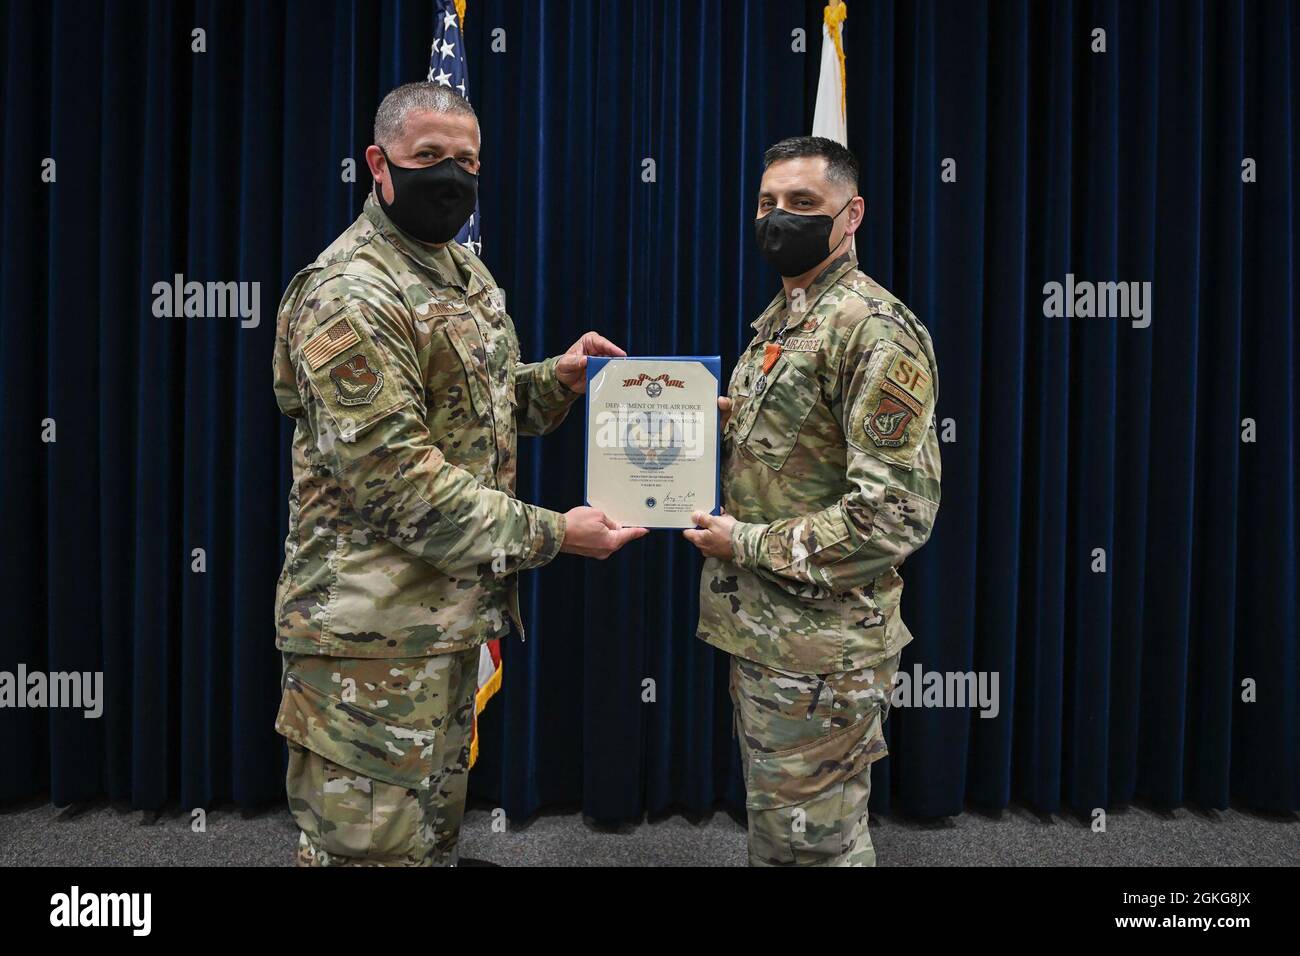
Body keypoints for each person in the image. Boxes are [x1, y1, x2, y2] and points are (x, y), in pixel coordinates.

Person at [270, 82, 644, 867]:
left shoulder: (460, 275)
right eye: (429, 158)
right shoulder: (350, 293)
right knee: (366, 854)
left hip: (444, 627)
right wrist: (555, 534)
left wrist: (561, 381)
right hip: (368, 644)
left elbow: (482, 409)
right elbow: (398, 484)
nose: (452, 177)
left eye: (467, 161)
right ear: (379, 164)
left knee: (429, 843)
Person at [684, 135, 941, 866]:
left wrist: (746, 543)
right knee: (783, 833)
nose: (778, 218)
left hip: (821, 649)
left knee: (815, 848)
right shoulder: (791, 316)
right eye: (768, 203)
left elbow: (893, 516)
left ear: (851, 214)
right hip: (772, 635)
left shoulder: (872, 329)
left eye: (802, 204)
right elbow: (807, 446)